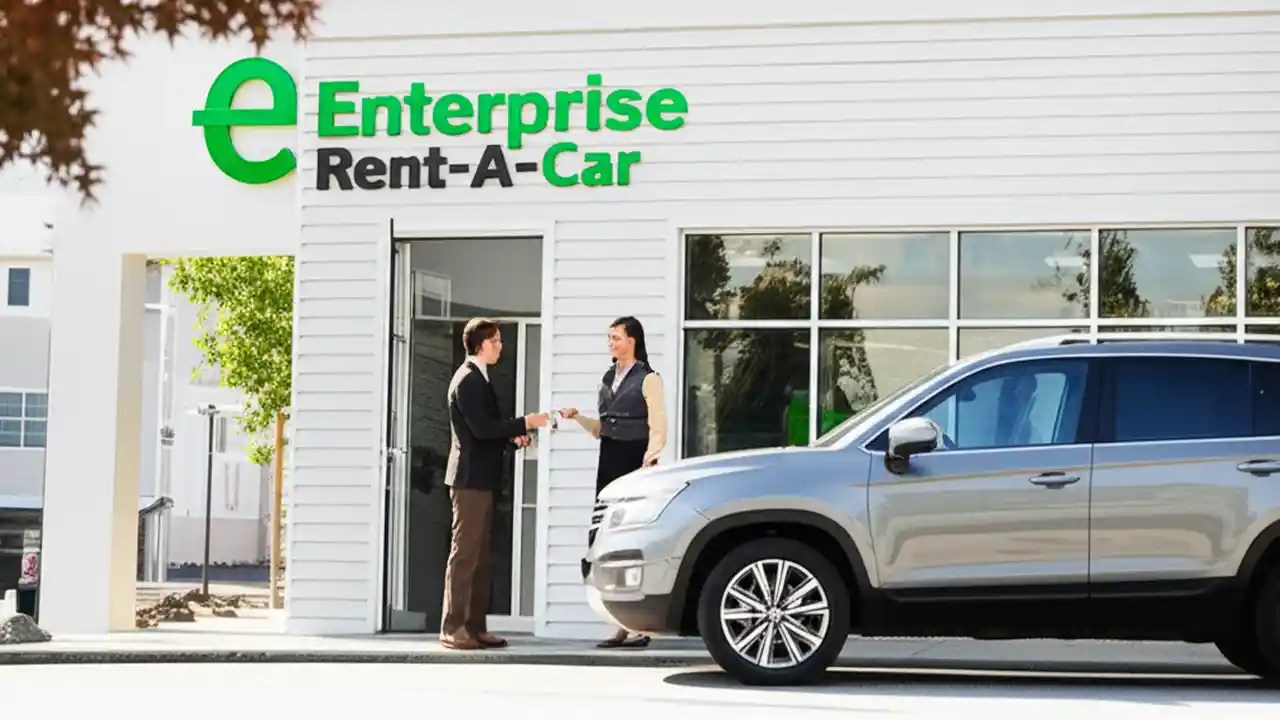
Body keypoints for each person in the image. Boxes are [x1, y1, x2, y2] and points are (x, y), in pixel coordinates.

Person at [440, 317, 549, 651]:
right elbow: (482, 429)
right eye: (496, 341)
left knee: (481, 556)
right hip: (470, 479)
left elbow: (488, 432)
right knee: (465, 554)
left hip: (483, 477)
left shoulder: (481, 378)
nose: (501, 346)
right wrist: (525, 422)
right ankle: (453, 626)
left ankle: (474, 627)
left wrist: (513, 438)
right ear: (479, 345)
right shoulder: (468, 380)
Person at [561, 315, 667, 648]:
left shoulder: (649, 378)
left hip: (635, 458)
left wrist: (650, 459)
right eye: (609, 337)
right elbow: (602, 429)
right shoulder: (608, 377)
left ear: (633, 340)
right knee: (605, 538)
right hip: (609, 458)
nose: (611, 343)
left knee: (633, 538)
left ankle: (642, 627)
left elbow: (659, 423)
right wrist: (577, 417)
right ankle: (620, 624)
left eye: (616, 337)